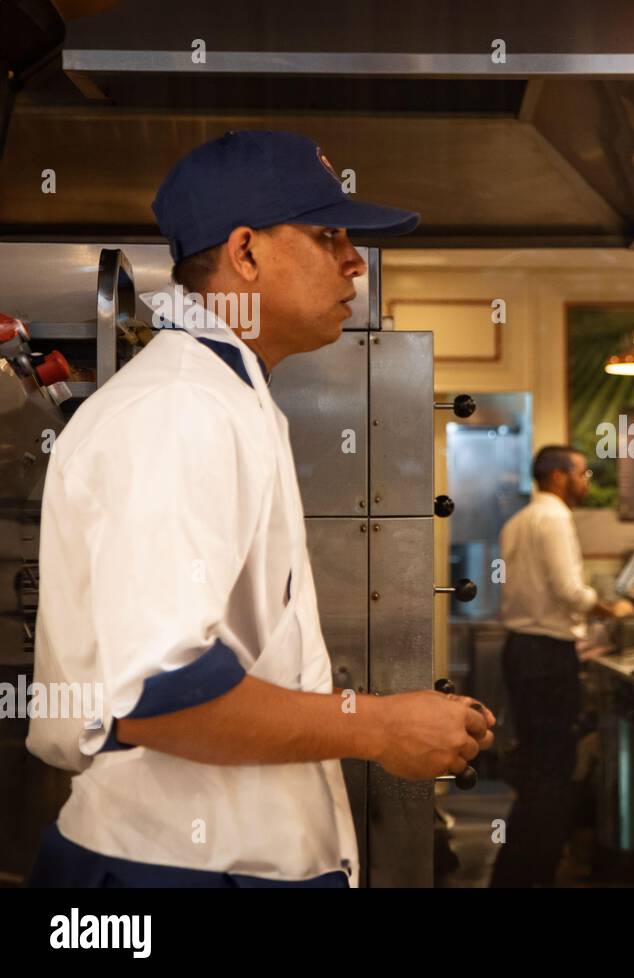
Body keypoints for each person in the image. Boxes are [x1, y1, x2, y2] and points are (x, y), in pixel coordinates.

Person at [26, 130, 494, 887]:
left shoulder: (229, 399)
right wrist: (379, 727)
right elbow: (155, 694)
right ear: (245, 254)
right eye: (328, 234)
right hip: (174, 874)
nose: (353, 262)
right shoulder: (179, 409)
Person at [490, 445, 632, 887]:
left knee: (539, 768)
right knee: (552, 771)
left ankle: (520, 872)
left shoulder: (518, 520)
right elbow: (569, 590)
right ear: (556, 477)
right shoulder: (554, 518)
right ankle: (530, 874)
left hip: (523, 648)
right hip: (546, 655)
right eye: (580, 472)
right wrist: (612, 610)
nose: (586, 480)